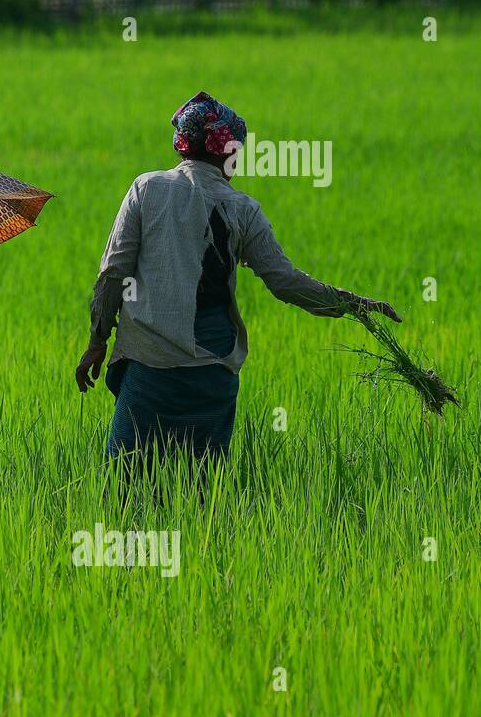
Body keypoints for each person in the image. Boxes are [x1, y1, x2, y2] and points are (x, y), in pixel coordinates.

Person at [76, 91, 399, 464]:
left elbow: (112, 273)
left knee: (125, 486)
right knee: (202, 492)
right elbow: (286, 282)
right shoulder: (242, 209)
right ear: (223, 150)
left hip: (151, 370)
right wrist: (352, 303)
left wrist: (97, 340)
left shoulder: (146, 189)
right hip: (212, 376)